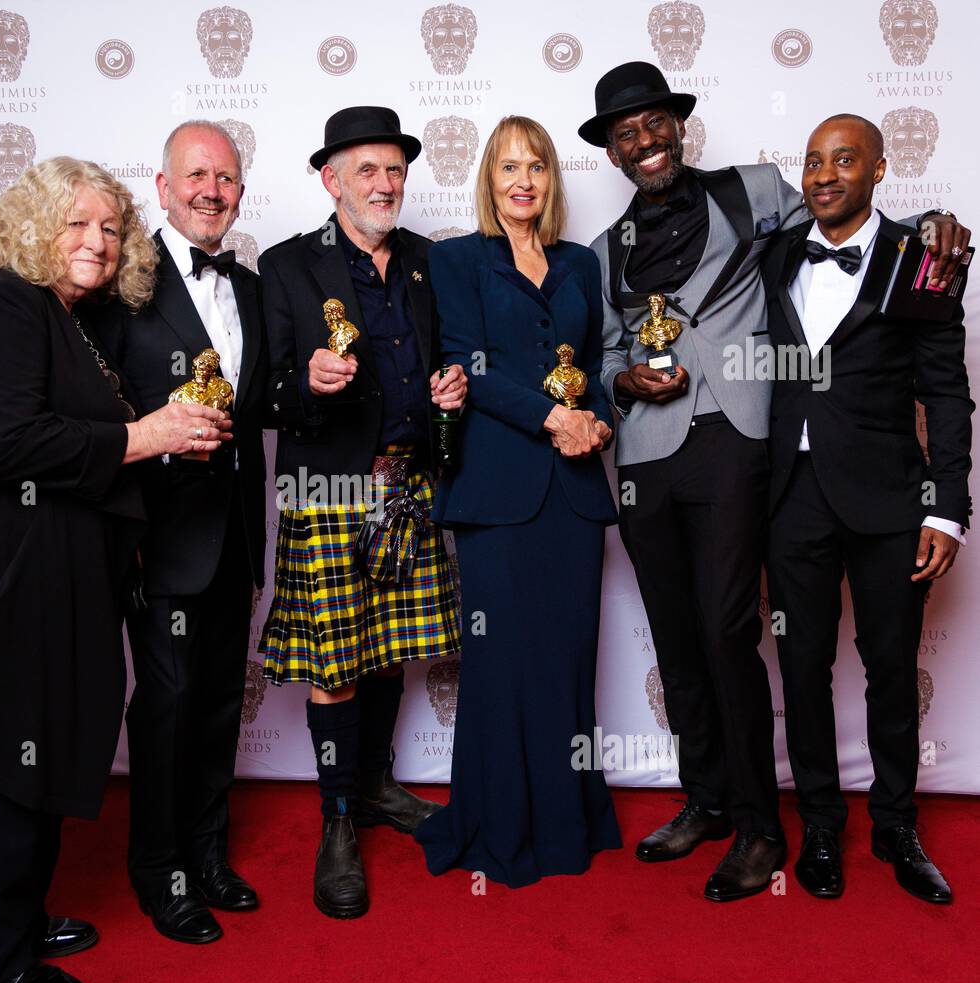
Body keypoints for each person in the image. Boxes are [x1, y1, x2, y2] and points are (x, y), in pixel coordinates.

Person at [581, 61, 971, 902]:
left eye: (655, 124)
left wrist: (939, 224)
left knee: (729, 632)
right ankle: (707, 800)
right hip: (647, 454)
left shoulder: (753, 191)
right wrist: (620, 383)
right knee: (677, 640)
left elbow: (860, 234)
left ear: (677, 127)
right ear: (610, 151)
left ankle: (764, 826)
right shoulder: (605, 250)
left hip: (741, 443)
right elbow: (609, 350)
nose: (644, 141)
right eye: (626, 132)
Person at [0, 157, 232, 983]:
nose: (95, 241)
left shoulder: (57, 318)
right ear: (31, 224)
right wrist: (147, 436)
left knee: (19, 775)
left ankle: (12, 924)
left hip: (25, 593)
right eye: (75, 222)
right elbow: (4, 442)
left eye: (109, 227)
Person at [258, 106, 467, 919]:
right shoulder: (285, 267)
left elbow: (446, 356)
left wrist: (455, 388)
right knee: (336, 665)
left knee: (386, 652)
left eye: (395, 169)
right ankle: (339, 818)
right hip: (331, 489)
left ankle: (376, 785)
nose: (386, 184)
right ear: (331, 180)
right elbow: (260, 395)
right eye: (368, 170)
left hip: (410, 483)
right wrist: (304, 384)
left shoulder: (426, 261)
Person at [761, 115, 973, 903]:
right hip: (791, 499)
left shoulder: (922, 260)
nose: (822, 175)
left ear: (879, 171)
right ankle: (819, 823)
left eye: (843, 160)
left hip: (891, 498)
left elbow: (946, 394)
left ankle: (895, 823)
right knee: (802, 667)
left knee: (891, 670)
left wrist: (946, 508)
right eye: (812, 161)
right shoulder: (779, 251)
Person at [415, 116, 622, 886]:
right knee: (502, 665)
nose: (523, 180)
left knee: (568, 661)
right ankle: (500, 825)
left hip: (572, 492)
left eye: (536, 165)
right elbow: (464, 365)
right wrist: (553, 418)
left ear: (551, 177)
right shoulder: (457, 260)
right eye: (508, 167)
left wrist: (594, 417)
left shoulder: (580, 264)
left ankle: (568, 823)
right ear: (489, 180)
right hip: (496, 491)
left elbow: (594, 363)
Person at [80, 121, 268, 946]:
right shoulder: (121, 283)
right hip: (159, 542)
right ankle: (163, 874)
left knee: (221, 703)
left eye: (225, 178)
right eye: (195, 176)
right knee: (167, 707)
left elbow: (263, 407)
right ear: (162, 187)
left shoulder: (252, 289)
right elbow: (95, 412)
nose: (211, 191)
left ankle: (210, 853)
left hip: (233, 535)